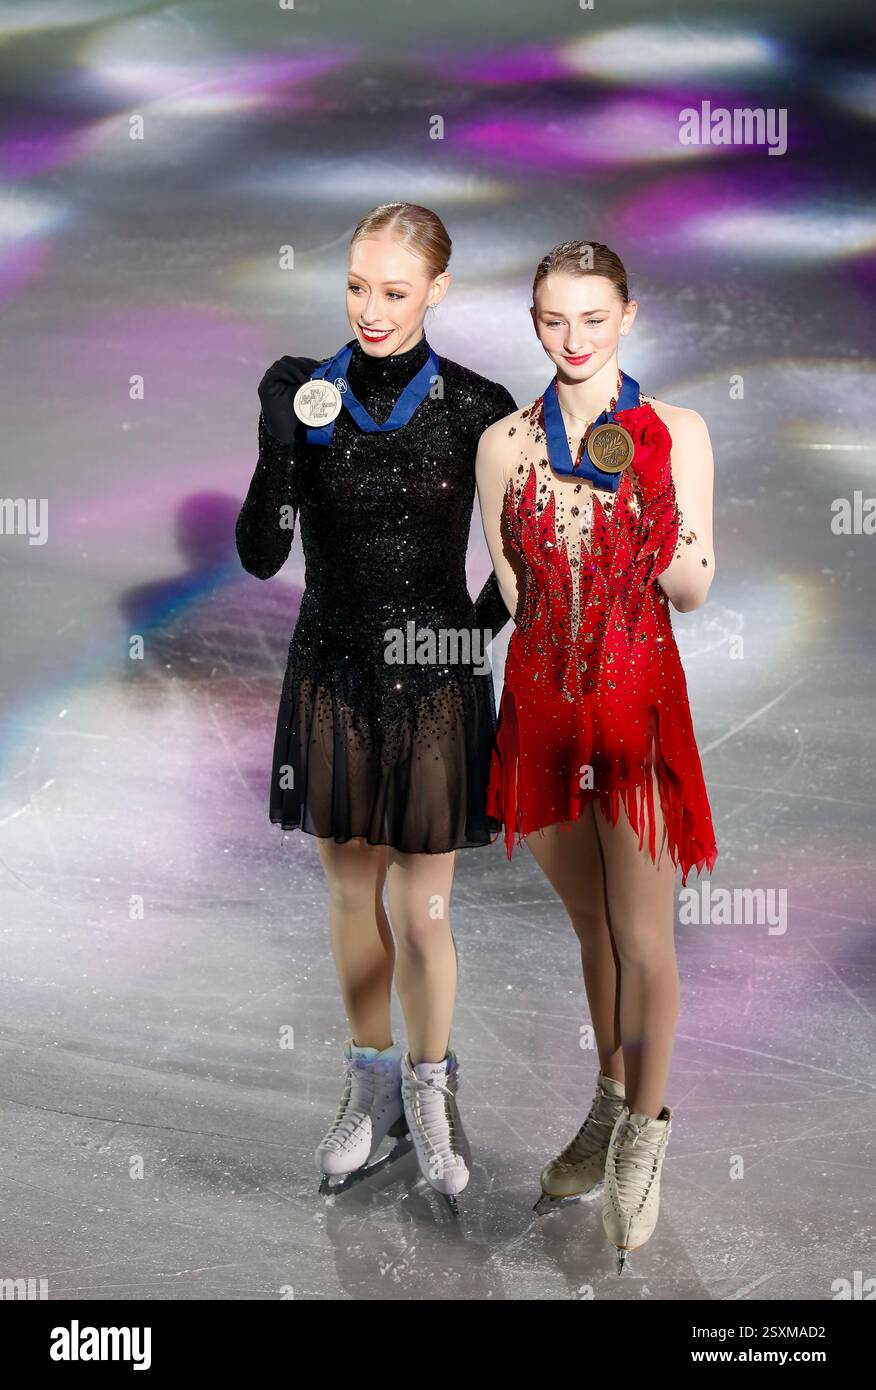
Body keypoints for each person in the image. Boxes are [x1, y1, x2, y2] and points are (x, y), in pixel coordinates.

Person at [235, 202, 515, 1214]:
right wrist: (283, 444)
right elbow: (262, 552)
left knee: (423, 910)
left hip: (435, 685)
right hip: (334, 675)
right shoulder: (308, 393)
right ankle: (372, 1085)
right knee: (354, 897)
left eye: (395, 291)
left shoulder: (480, 405)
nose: (371, 309)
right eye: (357, 286)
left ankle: (432, 1091)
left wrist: (458, 649)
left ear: (438, 289)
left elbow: (515, 565)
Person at [475, 240, 718, 1269]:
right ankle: (611, 1100)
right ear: (534, 321)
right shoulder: (503, 445)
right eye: (552, 319)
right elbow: (517, 592)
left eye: (592, 317)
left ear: (627, 315)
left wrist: (651, 500)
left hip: (635, 718)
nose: (572, 339)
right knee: (592, 926)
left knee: (643, 934)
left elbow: (694, 588)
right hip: (540, 713)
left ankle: (645, 1136)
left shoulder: (677, 432)